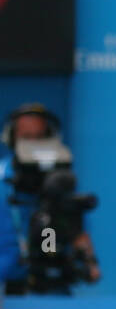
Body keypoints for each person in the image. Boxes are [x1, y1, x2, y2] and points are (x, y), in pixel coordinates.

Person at [0, 104, 100, 289]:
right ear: (11, 139)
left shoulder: (60, 182)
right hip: (6, 290)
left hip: (52, 289)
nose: (33, 145)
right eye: (26, 138)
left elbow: (77, 232)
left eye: (39, 138)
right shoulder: (2, 178)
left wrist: (89, 262)